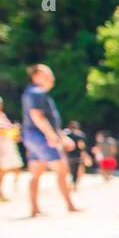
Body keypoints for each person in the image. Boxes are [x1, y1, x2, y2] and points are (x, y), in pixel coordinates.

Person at [20, 64, 78, 217]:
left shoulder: (32, 92)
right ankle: (70, 205)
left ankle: (34, 208)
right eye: (46, 74)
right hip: (40, 136)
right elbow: (37, 116)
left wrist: (61, 136)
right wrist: (52, 136)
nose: (51, 77)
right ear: (35, 77)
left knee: (36, 172)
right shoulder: (37, 92)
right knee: (62, 169)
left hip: (31, 136)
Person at [0, 95, 24, 201]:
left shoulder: (2, 115)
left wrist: (14, 132)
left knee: (7, 169)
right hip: (2, 147)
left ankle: (3, 192)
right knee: (2, 170)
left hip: (7, 145)